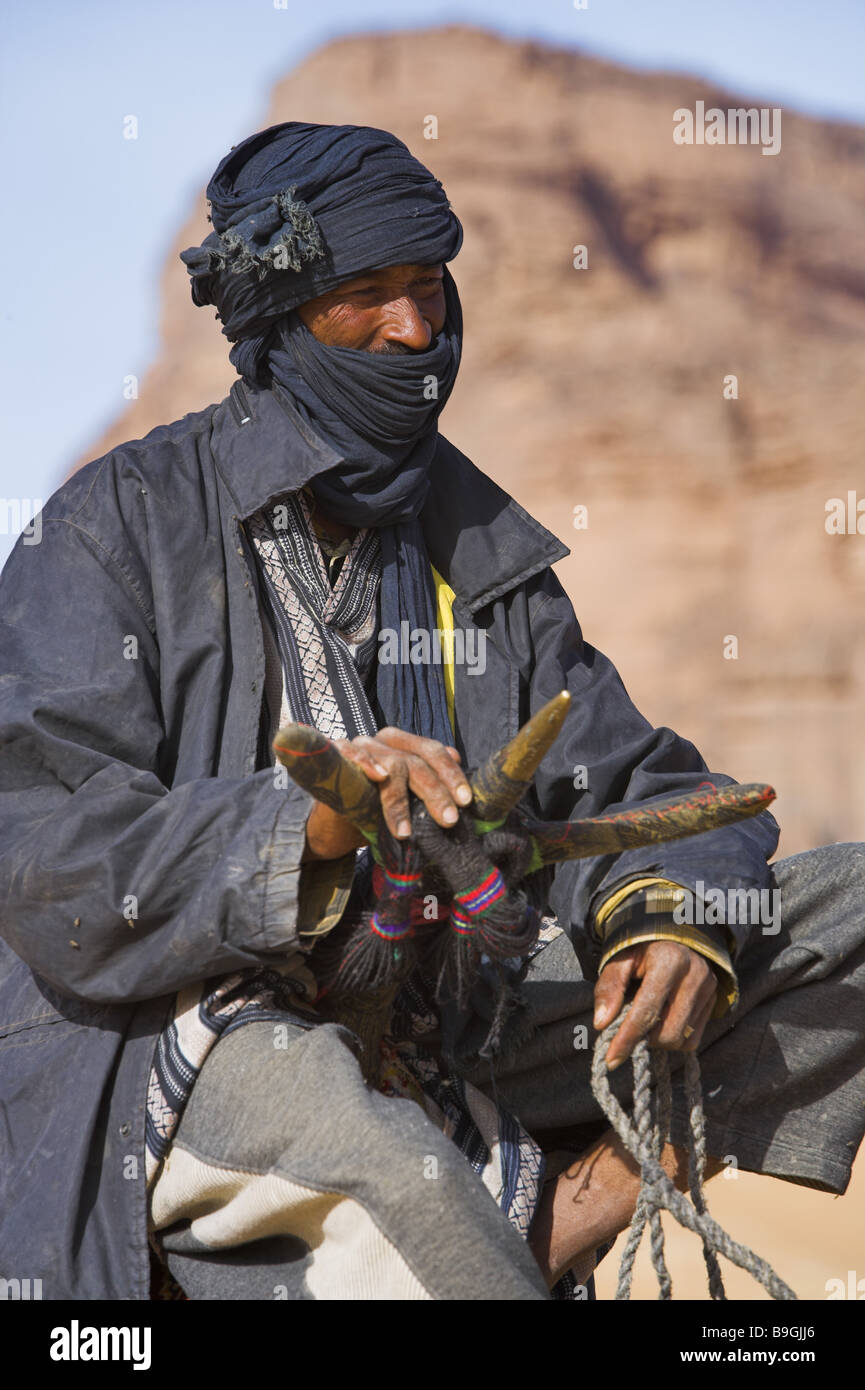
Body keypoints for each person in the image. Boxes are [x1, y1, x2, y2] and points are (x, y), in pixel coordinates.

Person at [0, 122, 862, 1302]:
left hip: (449, 1020)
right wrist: (301, 831)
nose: (414, 332)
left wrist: (676, 921)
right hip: (190, 1027)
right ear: (280, 318)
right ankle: (502, 1224)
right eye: (366, 296)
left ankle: (593, 1178)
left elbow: (653, 790)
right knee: (386, 1171)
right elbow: (43, 852)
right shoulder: (115, 525)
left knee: (847, 910)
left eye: (427, 288)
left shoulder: (478, 547)